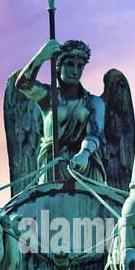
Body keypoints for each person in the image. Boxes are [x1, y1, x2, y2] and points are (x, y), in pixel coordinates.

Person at [16, 39, 106, 184]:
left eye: (80, 65)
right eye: (70, 64)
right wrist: (41, 57)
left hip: (83, 167)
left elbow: (94, 133)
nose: (75, 71)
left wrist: (84, 153)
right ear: (58, 65)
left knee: (95, 204)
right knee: (45, 206)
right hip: (52, 167)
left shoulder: (94, 103)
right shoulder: (47, 96)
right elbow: (23, 85)